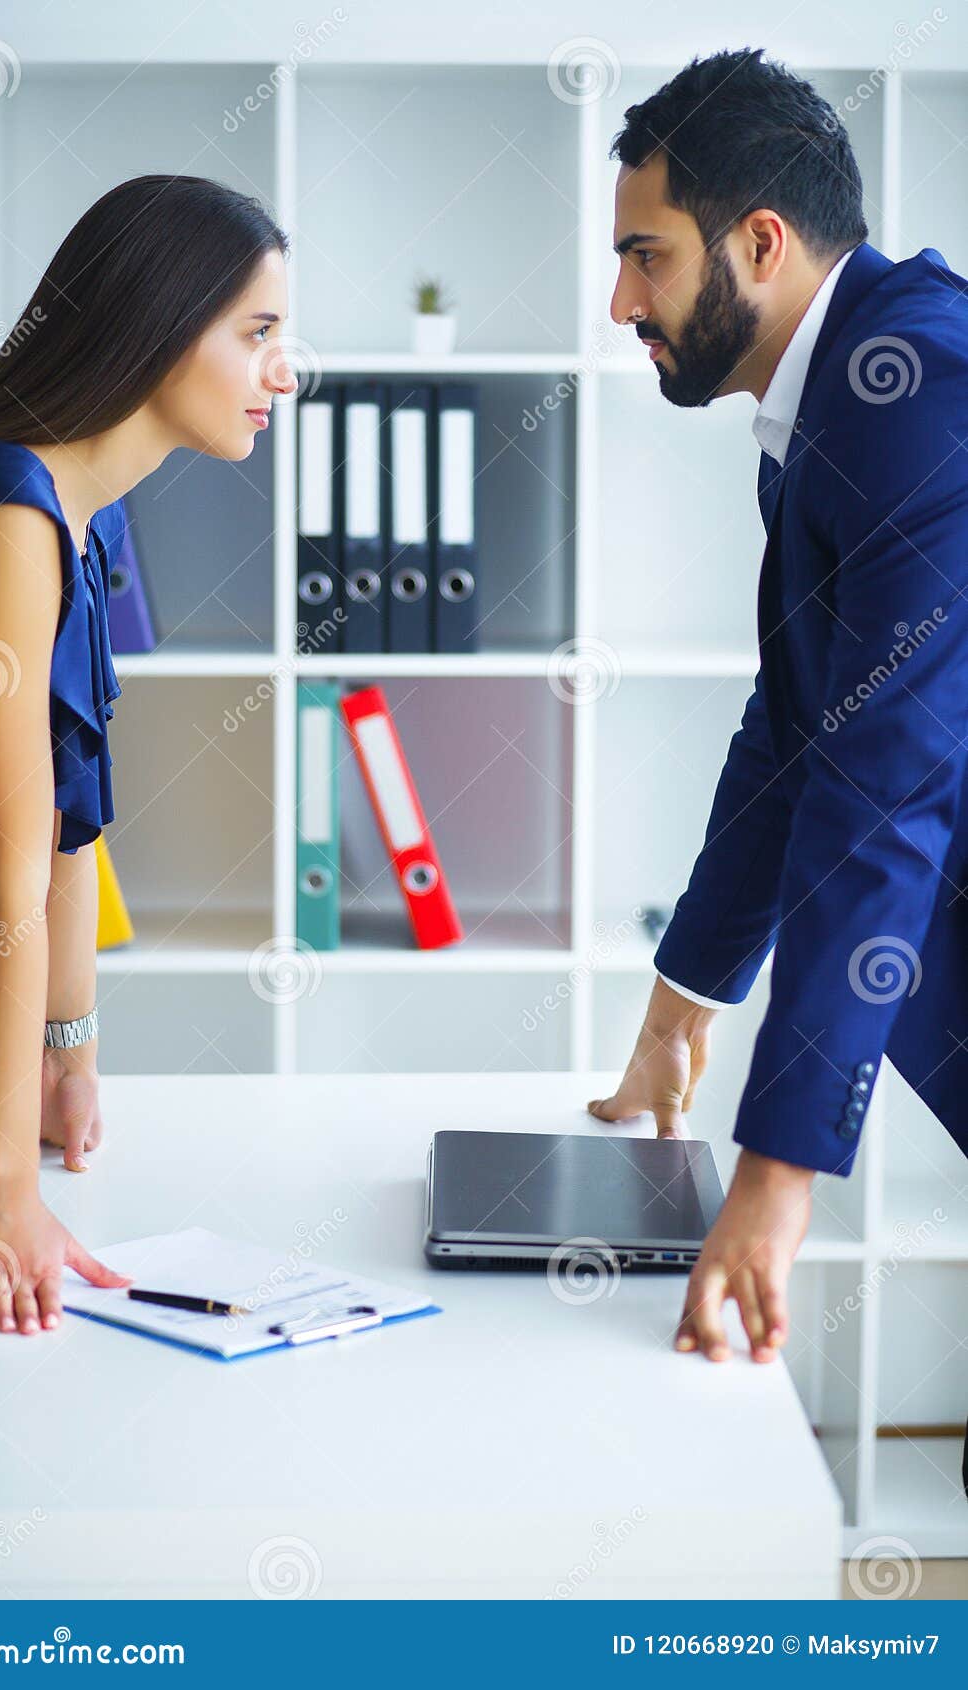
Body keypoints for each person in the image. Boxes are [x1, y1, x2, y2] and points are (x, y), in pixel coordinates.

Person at [587, 49, 968, 1431]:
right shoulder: (839, 391)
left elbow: (882, 783)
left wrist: (772, 1175)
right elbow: (798, 726)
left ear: (758, 242)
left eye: (644, 256)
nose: (620, 303)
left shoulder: (911, 388)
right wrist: (677, 1009)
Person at [0, 174, 296, 1372]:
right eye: (258, 333)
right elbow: (8, 868)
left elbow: (70, 820)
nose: (284, 373)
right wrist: (2, 1190)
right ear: (159, 327)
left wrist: (67, 1062)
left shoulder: (84, 518)